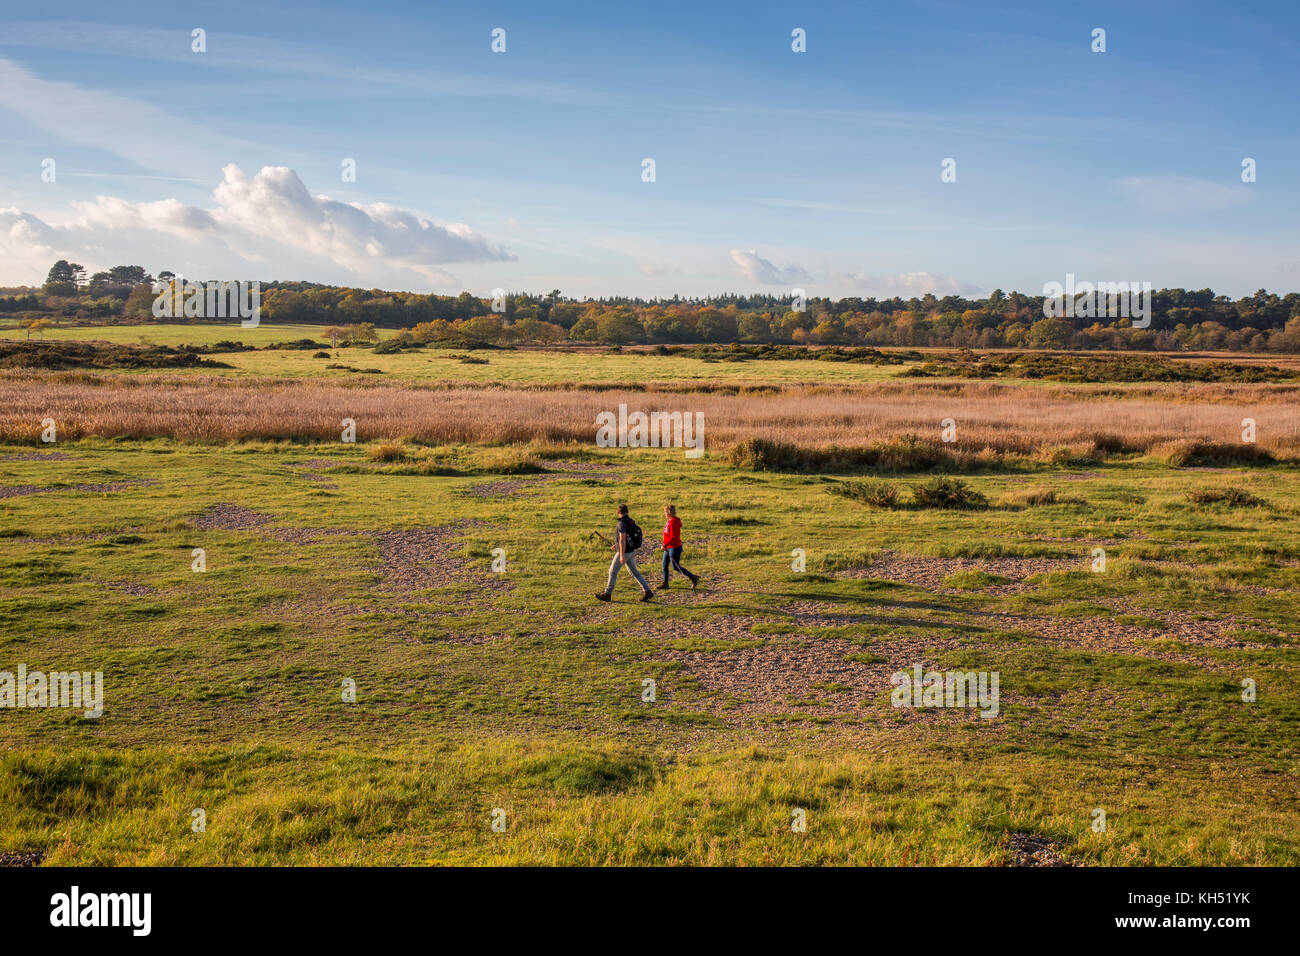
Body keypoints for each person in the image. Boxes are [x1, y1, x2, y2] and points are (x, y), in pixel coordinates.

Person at [595, 504, 653, 602]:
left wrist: (621, 555)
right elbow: (626, 539)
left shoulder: (621, 524)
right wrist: (616, 546)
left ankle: (607, 594)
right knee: (634, 572)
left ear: (618, 513)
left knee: (612, 571)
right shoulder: (630, 522)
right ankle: (648, 591)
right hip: (631, 551)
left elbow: (623, 540)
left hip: (624, 552)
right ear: (627, 512)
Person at [656, 504, 700, 590]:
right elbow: (667, 534)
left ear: (668, 513)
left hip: (674, 547)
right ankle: (665, 583)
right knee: (664, 565)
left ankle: (693, 577)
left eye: (665, 512)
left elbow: (673, 537)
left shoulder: (673, 522)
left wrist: (665, 544)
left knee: (675, 567)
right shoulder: (669, 521)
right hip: (668, 547)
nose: (664, 514)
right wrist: (665, 544)